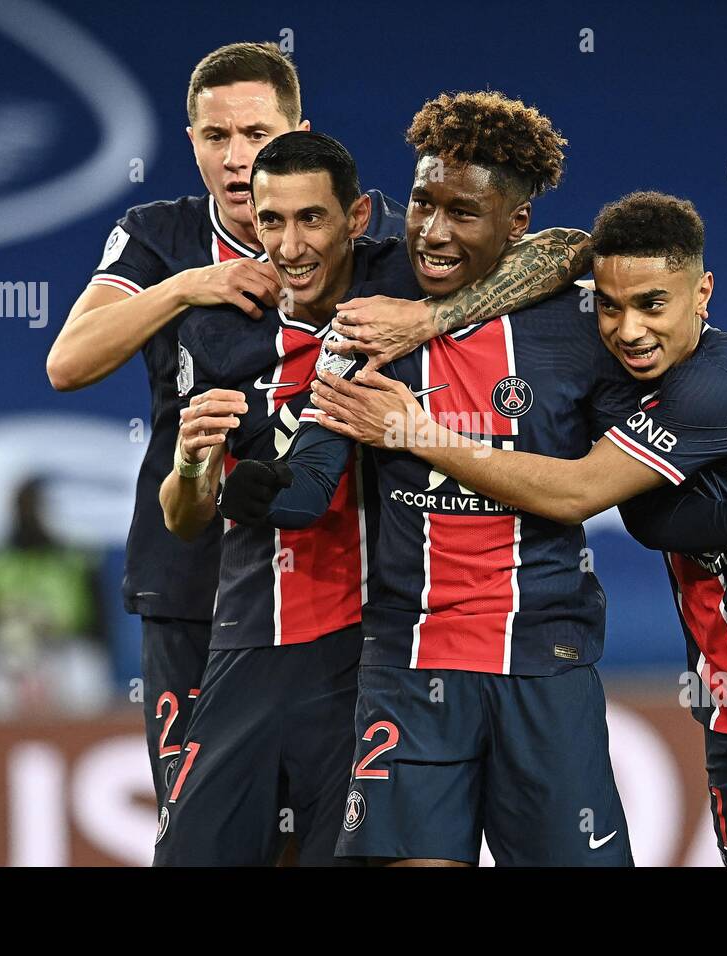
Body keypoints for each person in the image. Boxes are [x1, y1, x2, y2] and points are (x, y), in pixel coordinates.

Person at [220, 94, 727, 866]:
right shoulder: (368, 318)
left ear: (514, 222)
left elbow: (645, 508)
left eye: (463, 213)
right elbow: (312, 481)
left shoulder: (576, 328)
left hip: (543, 662)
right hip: (411, 666)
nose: (430, 230)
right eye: (423, 203)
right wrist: (258, 485)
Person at [308, 190, 727, 867]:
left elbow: (578, 493)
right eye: (612, 307)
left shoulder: (721, 381)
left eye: (654, 304)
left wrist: (417, 432)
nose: (628, 329)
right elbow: (561, 255)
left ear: (702, 293)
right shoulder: (627, 388)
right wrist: (437, 316)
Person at [155, 128, 605, 865]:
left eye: (312, 219)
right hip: (259, 640)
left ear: (358, 218)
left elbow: (568, 246)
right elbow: (193, 515)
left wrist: (430, 319)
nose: (291, 244)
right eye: (271, 221)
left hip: (379, 649)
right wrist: (199, 469)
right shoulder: (221, 327)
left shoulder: (396, 284)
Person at [0, 477, 112, 719]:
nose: (27, 516)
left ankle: (80, 742)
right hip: (13, 654)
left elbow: (99, 623)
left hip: (65, 649)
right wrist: (12, 624)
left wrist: (52, 624)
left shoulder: (75, 556)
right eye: (21, 508)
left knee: (85, 679)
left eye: (32, 507)